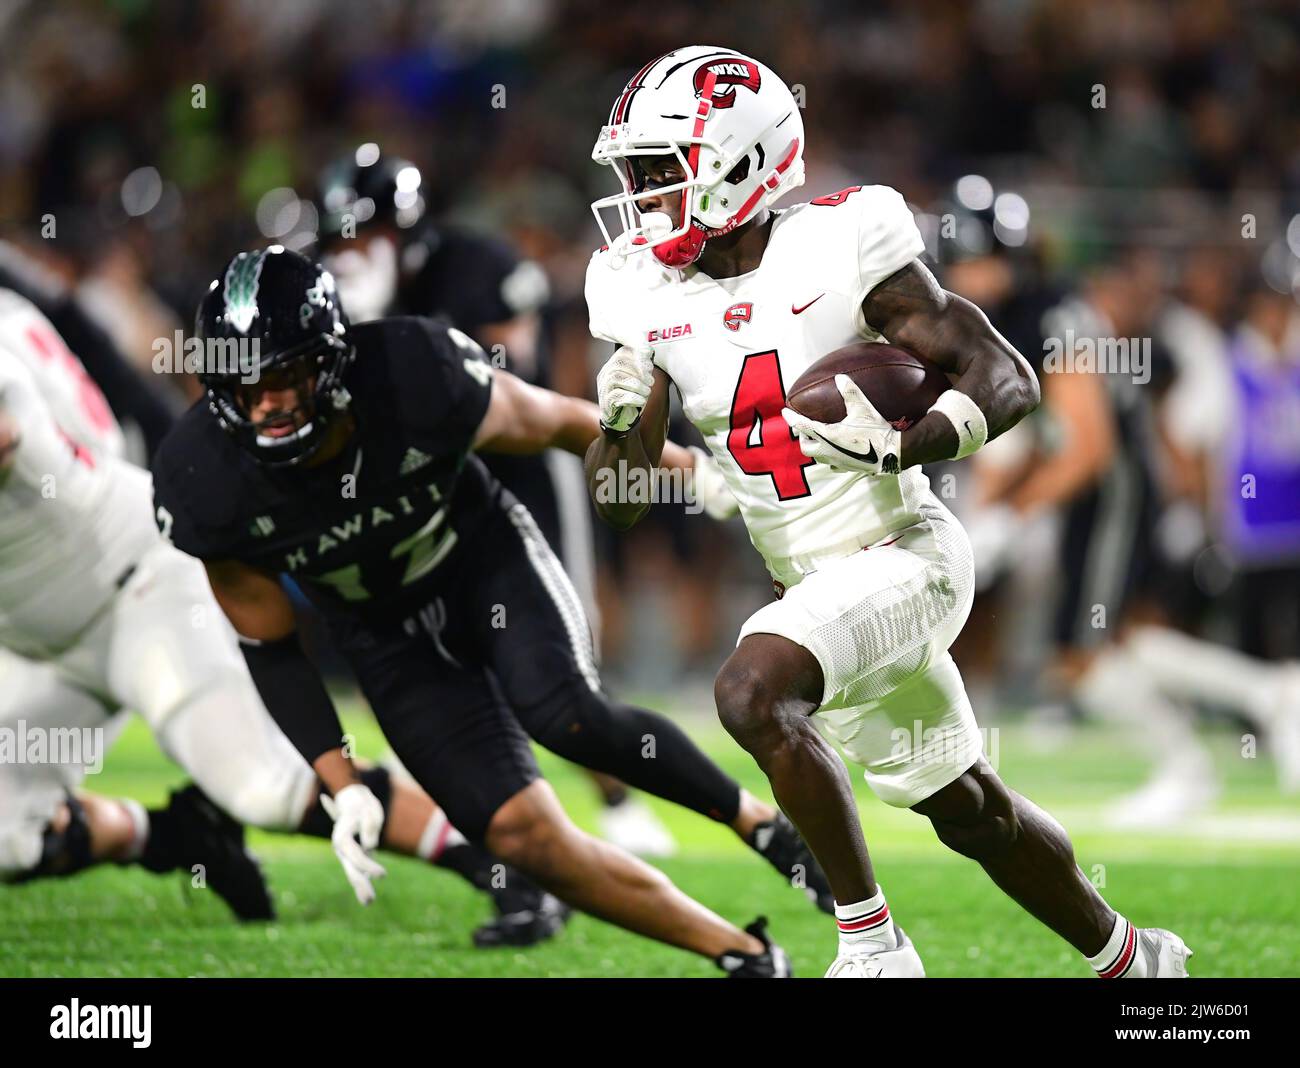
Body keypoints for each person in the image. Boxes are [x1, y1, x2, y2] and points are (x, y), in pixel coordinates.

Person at [584, 44, 1190, 977]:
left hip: (908, 555)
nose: (643, 196)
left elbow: (1005, 376)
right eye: (636, 175)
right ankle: (1134, 959)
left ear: (738, 163)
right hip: (815, 587)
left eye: (662, 171)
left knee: (750, 691)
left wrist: (910, 442)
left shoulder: (841, 239)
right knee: (970, 811)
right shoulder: (638, 290)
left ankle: (874, 948)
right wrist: (622, 419)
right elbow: (617, 500)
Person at [150, 245, 840, 976]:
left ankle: (759, 825)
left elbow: (560, 423)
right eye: (245, 383)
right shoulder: (203, 480)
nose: (269, 403)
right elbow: (270, 647)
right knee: (520, 835)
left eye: (286, 375)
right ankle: (742, 954)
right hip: (381, 632)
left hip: (480, 561)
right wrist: (342, 784)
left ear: (331, 362)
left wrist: (693, 474)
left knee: (567, 714)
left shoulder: (412, 376)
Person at [0, 285, 568, 946]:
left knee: (265, 786)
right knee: (11, 837)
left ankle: (505, 863)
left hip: (132, 590)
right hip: (29, 635)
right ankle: (179, 836)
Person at [314, 147, 677, 856]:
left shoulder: (478, 263)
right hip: (427, 484)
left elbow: (516, 363)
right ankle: (482, 808)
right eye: (341, 241)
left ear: (404, 231)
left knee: (560, 656)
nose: (350, 254)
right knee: (426, 646)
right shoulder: (332, 283)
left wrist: (401, 350)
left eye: (365, 237)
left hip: (523, 466)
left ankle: (618, 799)